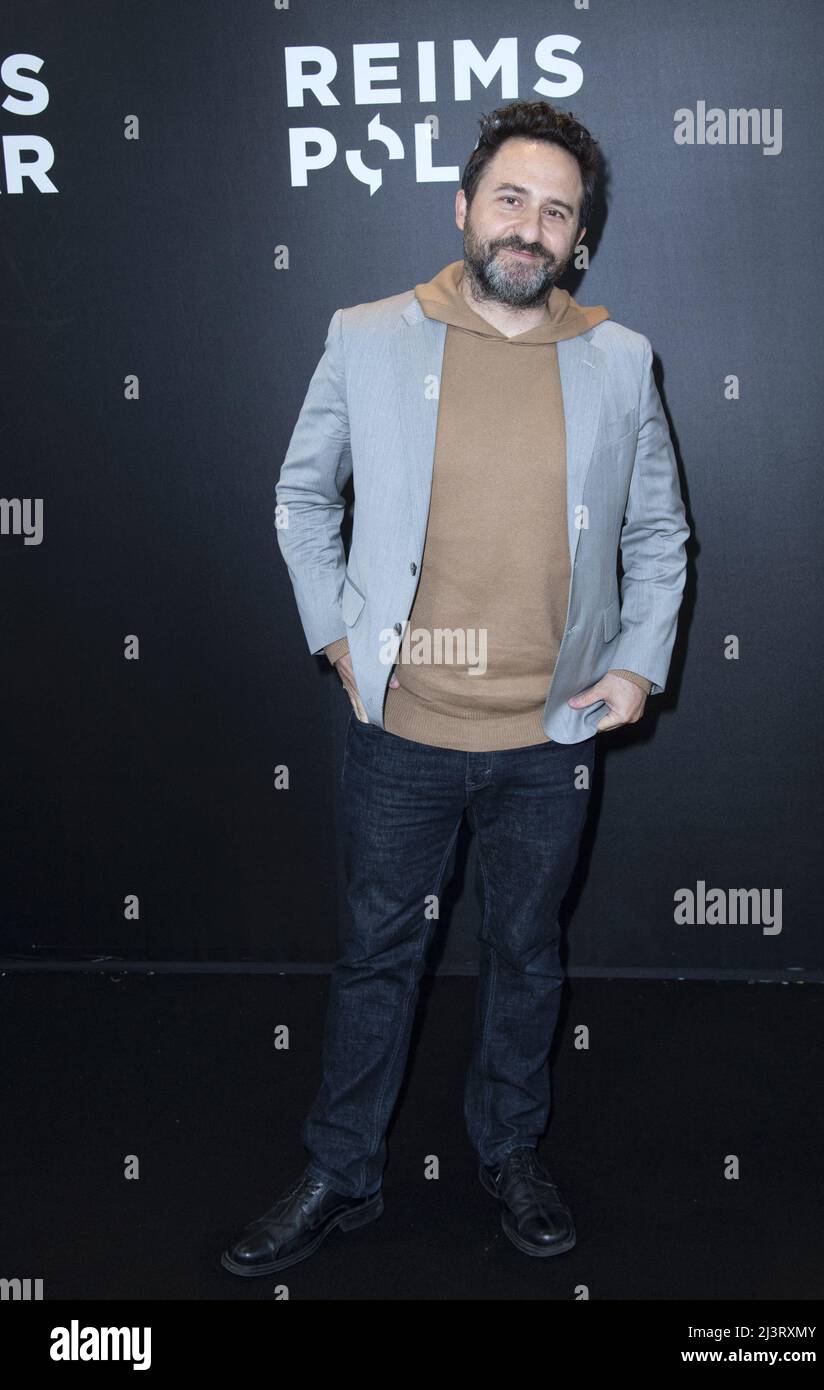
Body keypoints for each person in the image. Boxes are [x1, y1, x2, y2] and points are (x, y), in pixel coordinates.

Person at [221, 98, 689, 1276]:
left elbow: (657, 531)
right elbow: (297, 498)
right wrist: (336, 635)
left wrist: (634, 662)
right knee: (379, 956)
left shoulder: (619, 359)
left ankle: (509, 1151)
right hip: (404, 729)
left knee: (527, 952)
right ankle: (341, 1167)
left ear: (577, 239)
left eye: (557, 212)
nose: (529, 228)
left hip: (552, 731)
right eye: (511, 199)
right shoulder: (368, 334)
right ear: (464, 208)